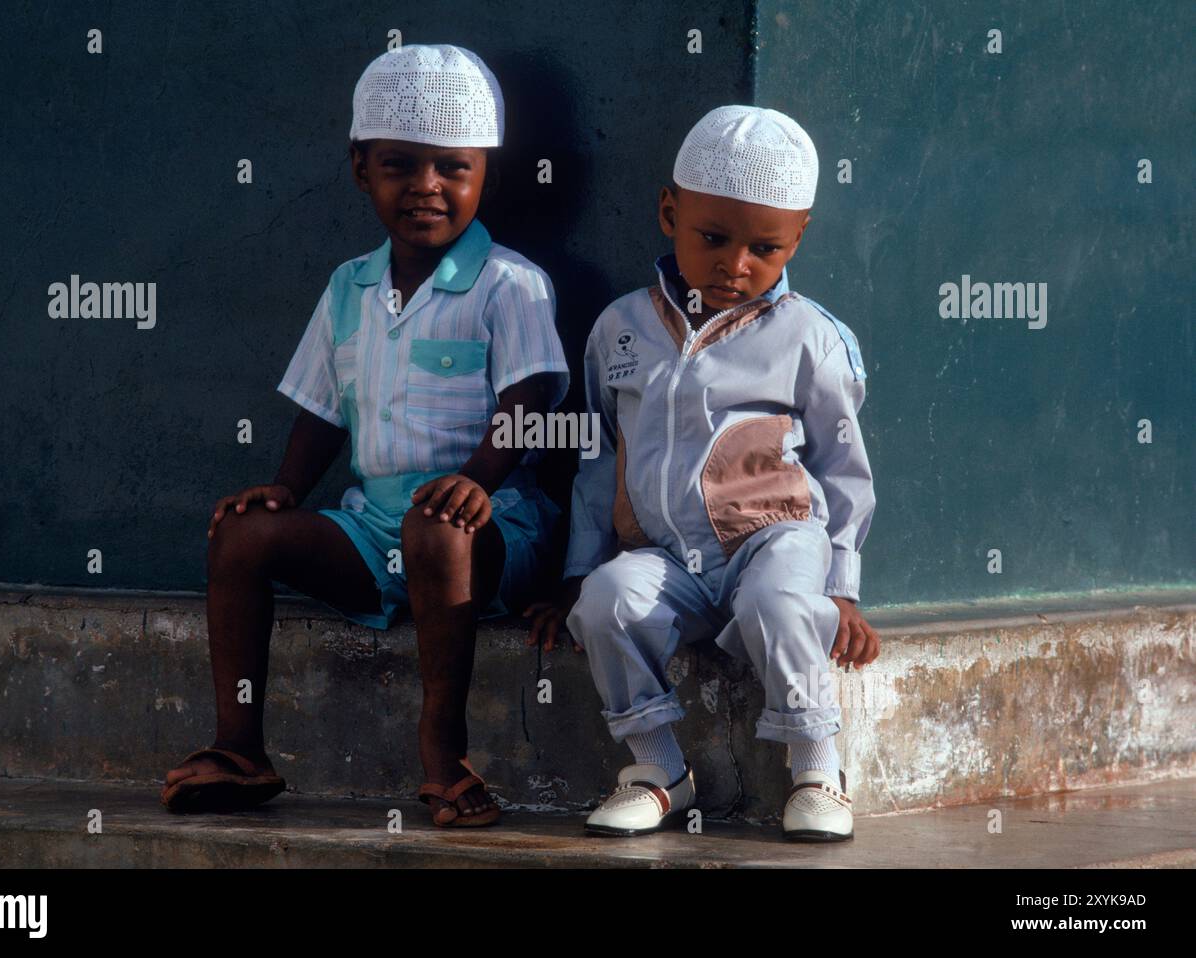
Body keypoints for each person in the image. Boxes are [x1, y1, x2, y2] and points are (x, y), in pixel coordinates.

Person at [162, 44, 570, 828]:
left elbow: (537, 393)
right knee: (242, 535)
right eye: (399, 166)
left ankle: (444, 756)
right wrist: (286, 488)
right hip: (375, 527)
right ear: (361, 170)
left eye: (453, 167)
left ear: (484, 173)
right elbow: (322, 406)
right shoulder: (348, 286)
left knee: (439, 526)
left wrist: (479, 480)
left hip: (490, 528)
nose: (426, 187)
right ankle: (240, 749)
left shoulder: (509, 284)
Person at [527, 105, 879, 841]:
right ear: (668, 212)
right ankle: (659, 772)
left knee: (781, 605)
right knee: (609, 602)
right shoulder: (620, 328)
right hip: (667, 556)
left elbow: (844, 468)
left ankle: (817, 770)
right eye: (713, 238)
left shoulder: (811, 338)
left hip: (774, 539)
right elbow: (598, 455)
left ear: (798, 239)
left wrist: (840, 587)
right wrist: (579, 568)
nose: (736, 265)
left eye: (765, 248)